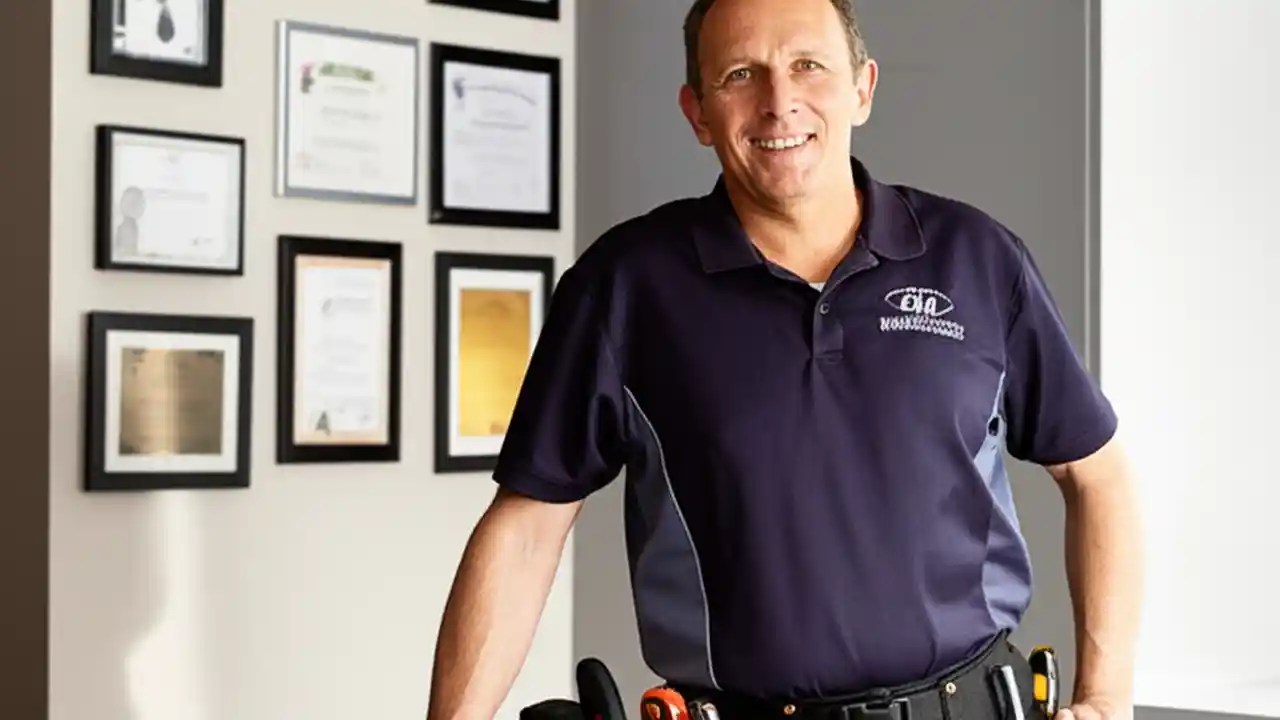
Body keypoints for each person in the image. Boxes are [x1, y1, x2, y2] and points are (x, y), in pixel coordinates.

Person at [426, 0, 1144, 718]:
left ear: (862, 88)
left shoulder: (977, 260)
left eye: (808, 65)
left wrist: (1105, 698)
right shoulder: (627, 287)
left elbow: (1097, 474)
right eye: (741, 74)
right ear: (698, 112)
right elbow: (525, 530)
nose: (780, 102)